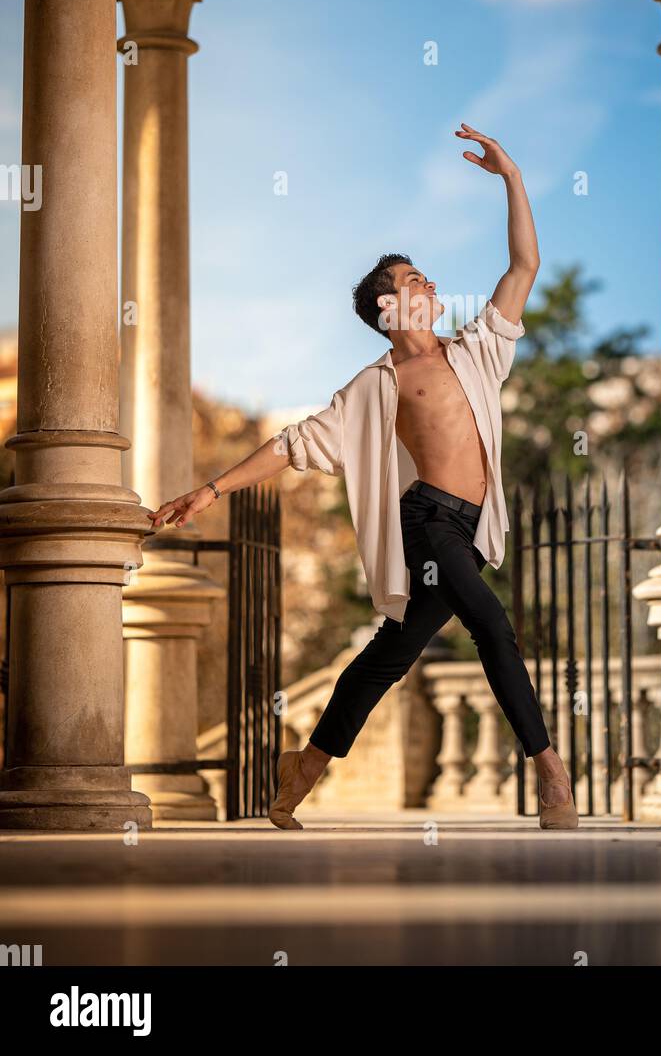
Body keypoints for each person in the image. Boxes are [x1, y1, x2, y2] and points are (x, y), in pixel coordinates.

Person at [148, 125, 579, 830]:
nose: (430, 282)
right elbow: (292, 445)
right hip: (428, 525)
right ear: (390, 309)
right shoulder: (375, 387)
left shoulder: (478, 352)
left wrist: (513, 176)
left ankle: (303, 767)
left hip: (467, 533)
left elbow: (524, 265)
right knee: (493, 625)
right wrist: (212, 489)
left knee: (389, 655)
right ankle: (551, 775)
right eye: (414, 279)